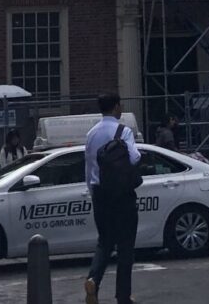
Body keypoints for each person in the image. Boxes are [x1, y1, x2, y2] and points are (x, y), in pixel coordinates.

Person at [84, 93, 141, 304]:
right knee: (126, 246)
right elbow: (135, 157)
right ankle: (123, 296)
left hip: (100, 193)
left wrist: (92, 190)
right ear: (116, 107)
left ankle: (93, 280)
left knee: (104, 242)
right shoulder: (123, 131)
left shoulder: (91, 134)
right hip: (122, 194)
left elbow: (89, 167)